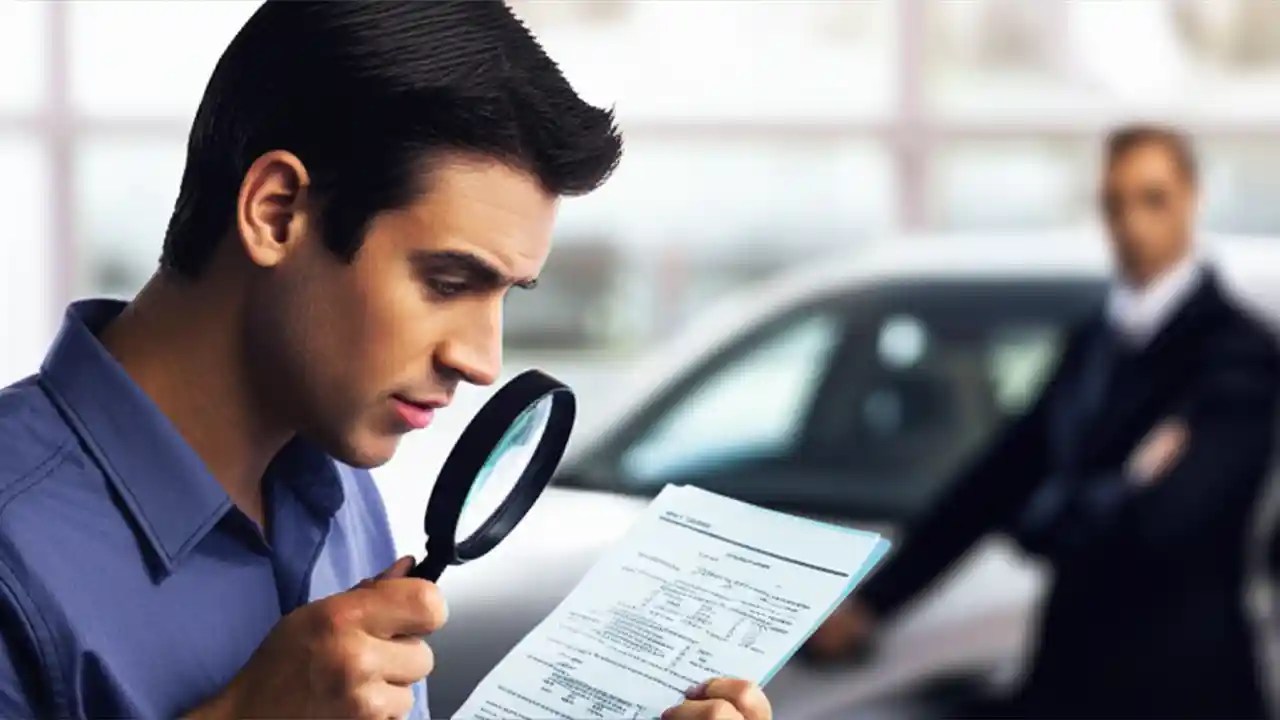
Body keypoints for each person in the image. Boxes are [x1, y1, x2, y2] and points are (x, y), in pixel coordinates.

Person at [0, 3, 772, 719]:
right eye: (447, 282)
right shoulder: (13, 544)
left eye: (510, 294)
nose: (481, 360)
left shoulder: (339, 491)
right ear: (277, 214)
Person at [806, 125, 1280, 718]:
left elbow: (1165, 524)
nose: (1133, 224)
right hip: (1073, 673)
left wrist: (1045, 514)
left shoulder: (1240, 354)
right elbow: (1000, 477)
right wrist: (876, 601)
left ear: (1192, 199)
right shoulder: (1094, 342)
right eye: (1116, 203)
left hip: (1180, 686)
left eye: (1153, 199)